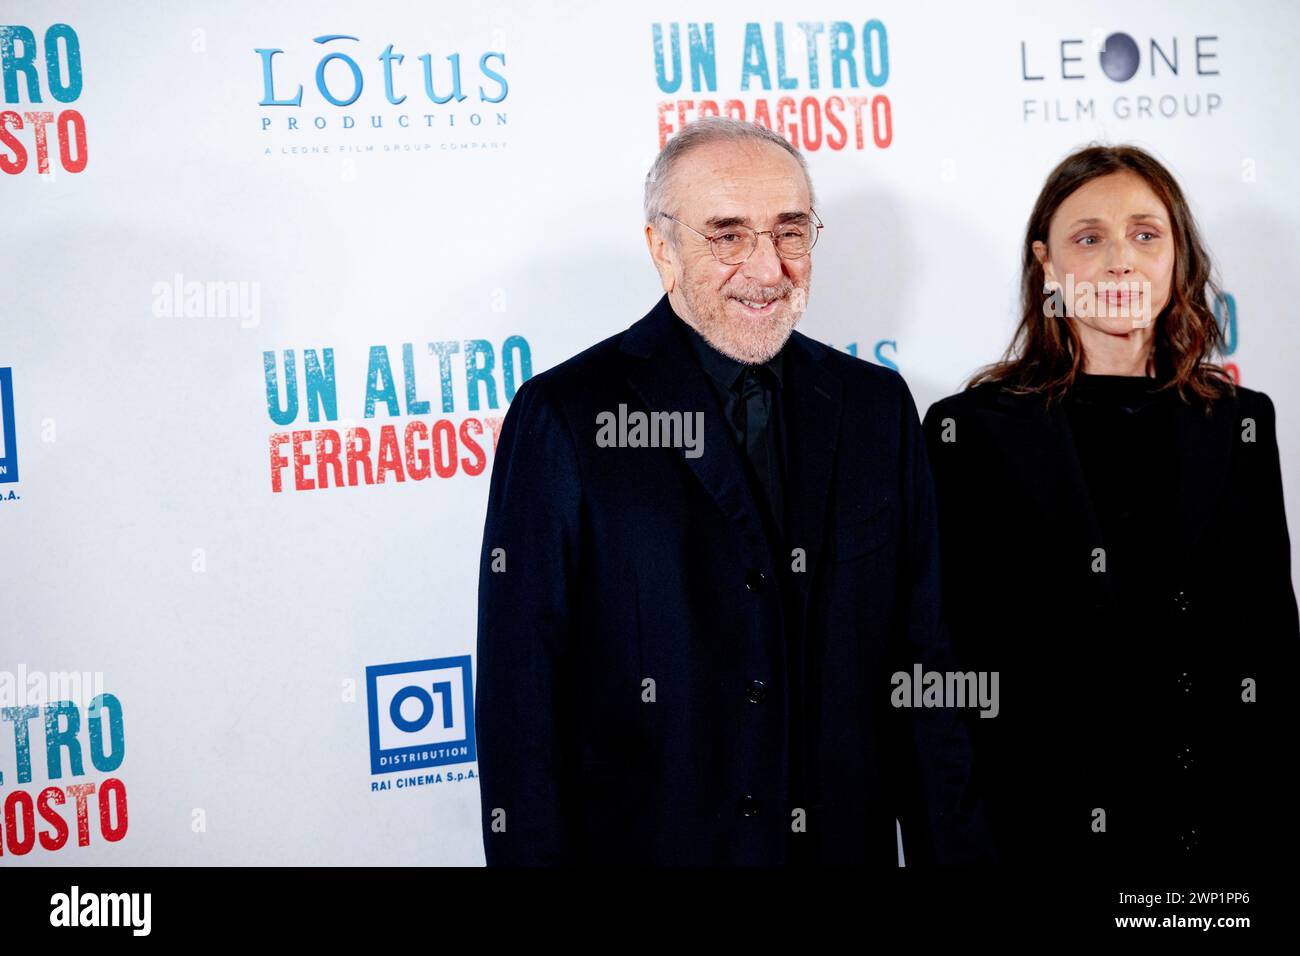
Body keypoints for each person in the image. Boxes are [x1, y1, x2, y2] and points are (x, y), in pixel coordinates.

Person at [475, 117, 988, 865]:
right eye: (727, 236)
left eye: (790, 232)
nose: (768, 268)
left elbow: (925, 671)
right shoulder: (565, 417)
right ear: (663, 250)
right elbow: (523, 701)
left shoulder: (875, 407)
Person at [922, 144, 1299, 866]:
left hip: (1208, 830)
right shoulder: (970, 431)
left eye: (1145, 235)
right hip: (1041, 831)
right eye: (1089, 239)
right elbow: (949, 658)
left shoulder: (1239, 421)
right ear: (1047, 263)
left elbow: (1269, 645)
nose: (1121, 262)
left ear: (1177, 256)